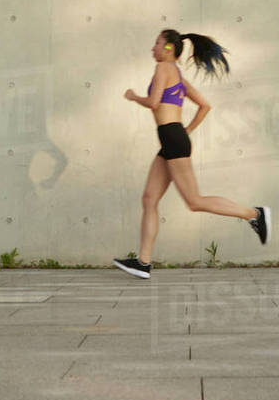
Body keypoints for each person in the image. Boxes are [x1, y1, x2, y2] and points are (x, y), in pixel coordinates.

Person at [113, 29, 270, 279]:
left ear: (167, 49)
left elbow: (154, 103)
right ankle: (142, 262)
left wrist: (134, 97)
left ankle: (254, 214)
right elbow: (205, 105)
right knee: (149, 198)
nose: (152, 48)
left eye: (156, 43)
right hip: (172, 140)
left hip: (173, 139)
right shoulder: (178, 76)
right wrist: (186, 130)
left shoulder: (164, 69)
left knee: (194, 201)